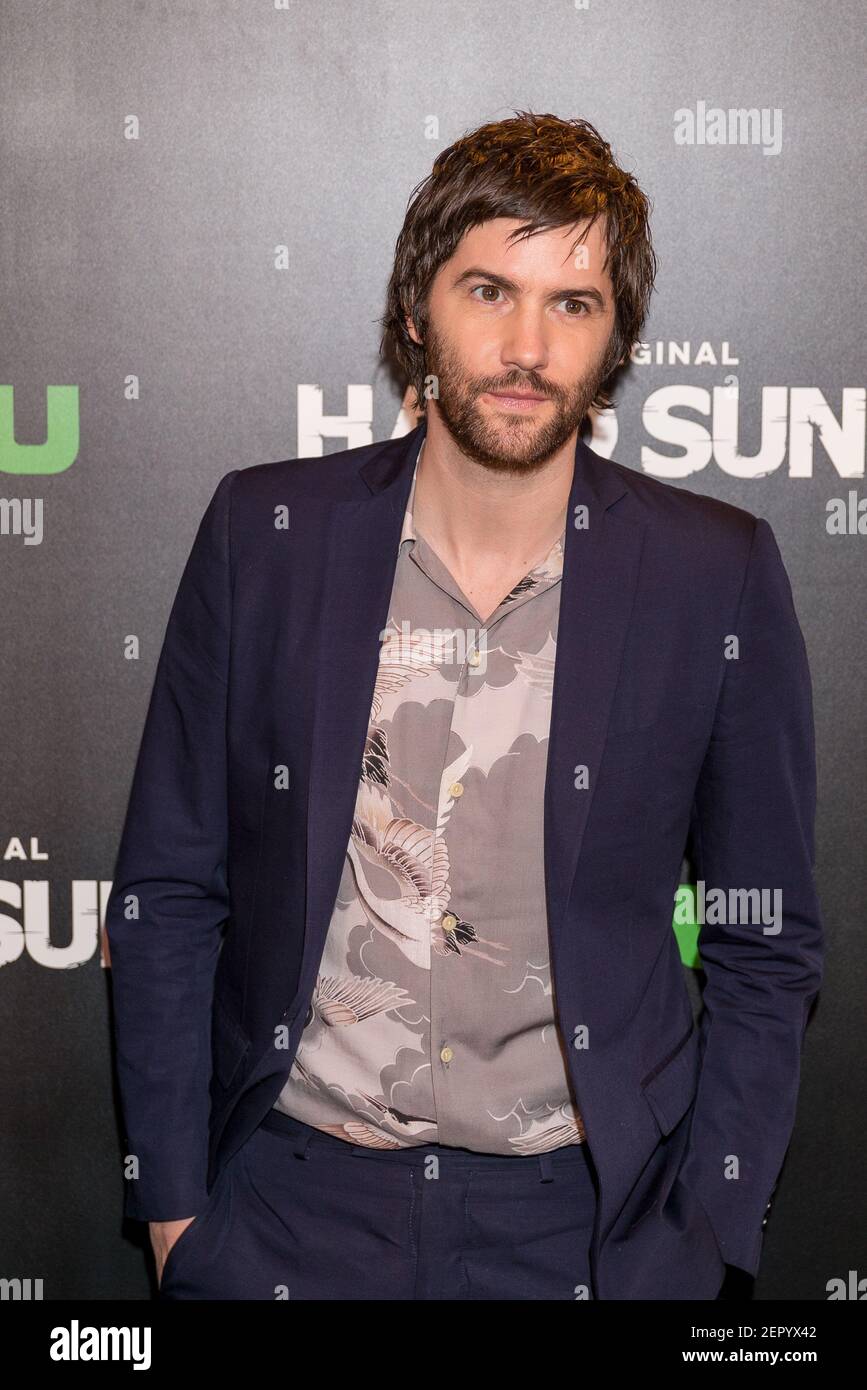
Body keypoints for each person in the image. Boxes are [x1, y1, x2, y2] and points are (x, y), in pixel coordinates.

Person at [106, 110, 823, 1300]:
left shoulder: (714, 573)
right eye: (489, 289)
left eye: (573, 303)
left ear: (616, 338)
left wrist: (708, 1233)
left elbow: (768, 936)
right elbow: (171, 888)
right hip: (291, 1207)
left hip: (589, 1227)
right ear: (415, 313)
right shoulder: (266, 538)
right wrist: (178, 1210)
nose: (527, 344)